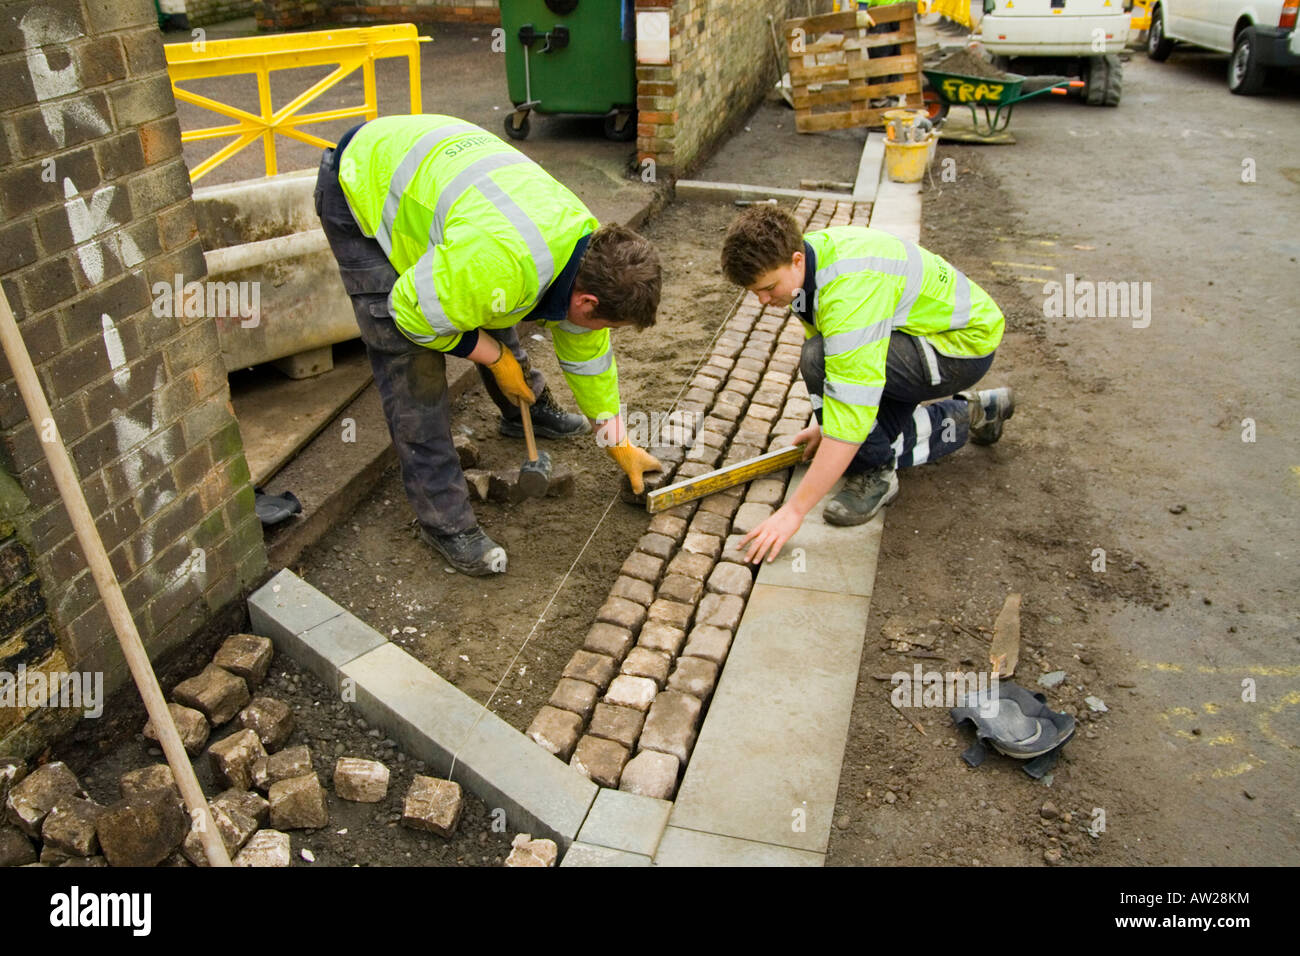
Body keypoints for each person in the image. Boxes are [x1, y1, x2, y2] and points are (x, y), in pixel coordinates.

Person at [315, 114, 663, 576]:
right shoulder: (498, 262)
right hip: (363, 181)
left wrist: (616, 439)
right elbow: (410, 313)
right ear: (588, 299)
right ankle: (443, 521)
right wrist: (496, 357)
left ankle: (527, 411)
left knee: (490, 299)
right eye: (611, 324)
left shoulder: (583, 251)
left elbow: (588, 354)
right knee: (411, 357)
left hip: (454, 198)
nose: (607, 333)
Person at [720, 204, 1013, 564]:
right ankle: (979, 412)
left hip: (959, 349)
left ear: (796, 260)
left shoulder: (848, 295)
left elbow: (849, 410)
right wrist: (822, 423)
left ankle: (880, 473)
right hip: (914, 335)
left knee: (853, 436)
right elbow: (834, 356)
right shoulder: (808, 266)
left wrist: (793, 512)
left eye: (767, 288)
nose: (764, 300)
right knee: (824, 366)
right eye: (754, 293)